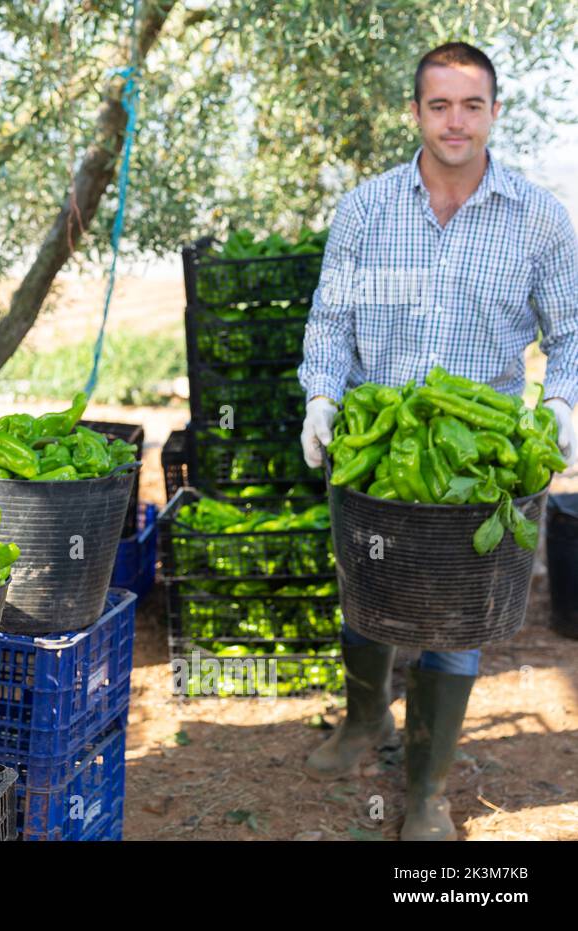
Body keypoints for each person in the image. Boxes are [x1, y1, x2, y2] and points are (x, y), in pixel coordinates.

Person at [297, 42, 578, 840]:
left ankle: (426, 787)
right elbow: (331, 320)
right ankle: (362, 725)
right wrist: (322, 393)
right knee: (368, 587)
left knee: (457, 617)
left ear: (494, 111)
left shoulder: (539, 217)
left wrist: (561, 403)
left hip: (474, 460)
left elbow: (574, 331)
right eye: (440, 105)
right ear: (415, 113)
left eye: (472, 105)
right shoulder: (365, 210)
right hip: (380, 446)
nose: (456, 121)